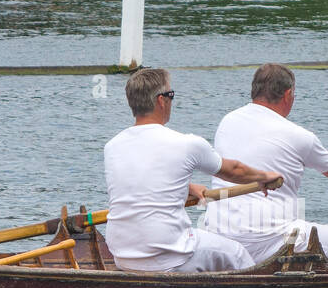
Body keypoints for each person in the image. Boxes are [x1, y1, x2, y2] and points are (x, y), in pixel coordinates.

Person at [201, 64, 328, 271]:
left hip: (220, 234)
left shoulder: (227, 121)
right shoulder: (298, 135)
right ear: (288, 95)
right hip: (267, 239)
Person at [103, 68, 279, 272]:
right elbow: (234, 170)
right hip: (170, 255)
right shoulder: (187, 144)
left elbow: (141, 179)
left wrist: (185, 187)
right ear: (161, 101)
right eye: (171, 95)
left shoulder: (113, 146)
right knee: (237, 253)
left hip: (123, 256)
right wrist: (265, 177)